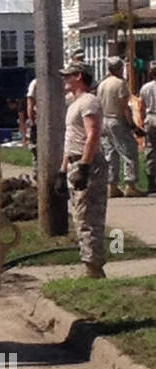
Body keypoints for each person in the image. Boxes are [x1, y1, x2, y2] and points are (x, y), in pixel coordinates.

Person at [61, 61, 108, 278]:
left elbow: (93, 134)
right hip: (74, 161)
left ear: (79, 76)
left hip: (87, 163)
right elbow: (70, 140)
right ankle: (89, 263)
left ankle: (94, 268)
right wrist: (63, 171)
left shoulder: (89, 101)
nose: (65, 79)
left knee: (89, 217)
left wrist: (84, 167)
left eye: (68, 75)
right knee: (80, 216)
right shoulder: (73, 103)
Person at [96, 57, 142, 197]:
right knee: (129, 151)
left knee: (110, 153)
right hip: (117, 120)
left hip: (104, 120)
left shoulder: (102, 84)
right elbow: (124, 108)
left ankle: (112, 185)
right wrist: (133, 125)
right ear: (119, 68)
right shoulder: (120, 84)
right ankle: (130, 184)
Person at [140, 62, 156, 195]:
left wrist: (142, 120)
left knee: (150, 150)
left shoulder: (145, 87)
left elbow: (141, 106)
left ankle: (151, 183)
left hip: (150, 118)